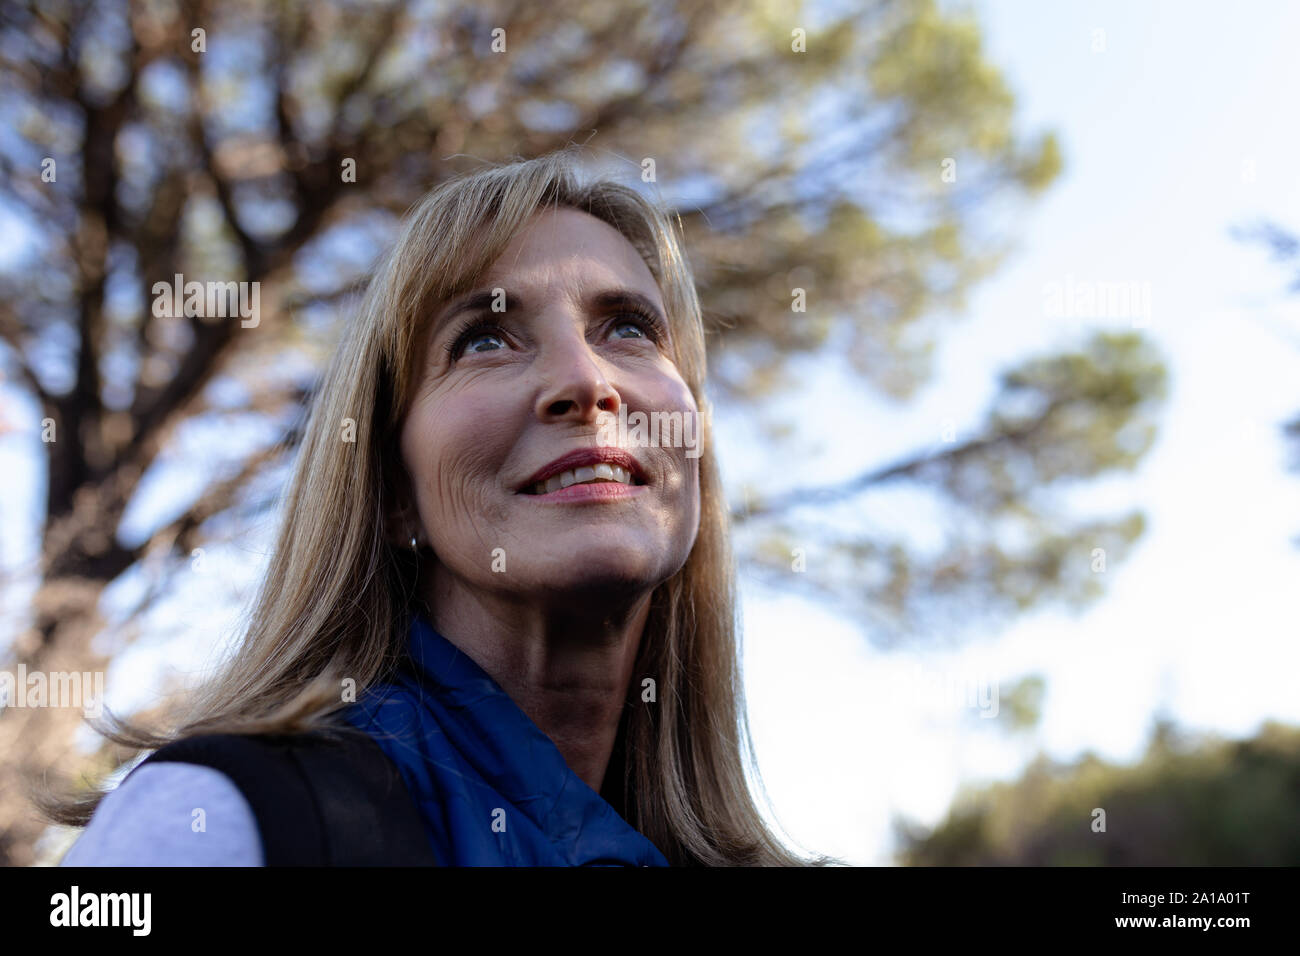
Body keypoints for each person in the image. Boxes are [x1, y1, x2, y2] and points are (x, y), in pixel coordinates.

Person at [45, 148, 836, 866]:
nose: (587, 382)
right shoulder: (224, 820)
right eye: (485, 339)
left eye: (628, 327)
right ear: (393, 490)